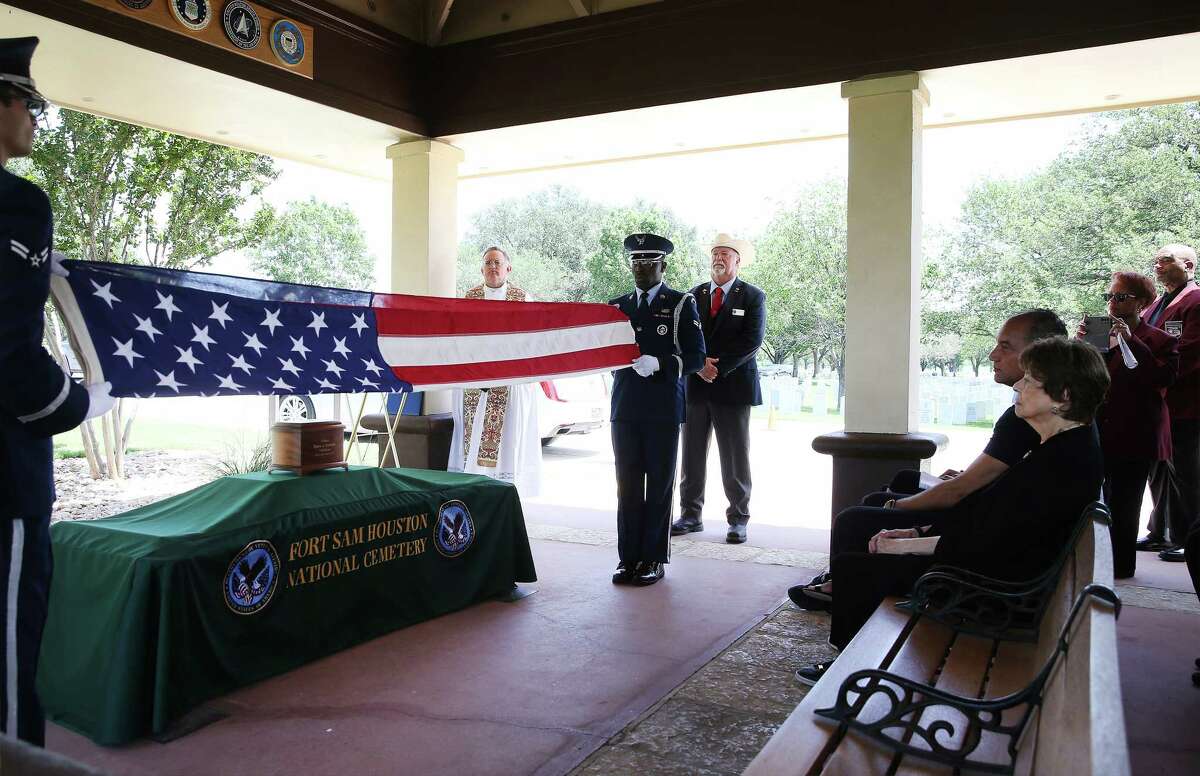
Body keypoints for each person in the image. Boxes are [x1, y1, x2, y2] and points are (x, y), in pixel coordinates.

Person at [795, 337, 1107, 685]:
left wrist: (905, 545)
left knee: (857, 566)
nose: (1019, 384)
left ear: (1063, 396)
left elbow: (989, 539)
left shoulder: (1062, 461)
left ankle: (851, 672)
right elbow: (990, 519)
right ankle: (851, 655)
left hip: (991, 592)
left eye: (1031, 381)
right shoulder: (1063, 446)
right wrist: (915, 534)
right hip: (997, 571)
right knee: (865, 554)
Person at [789, 310, 1066, 605]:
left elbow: (961, 492)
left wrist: (896, 506)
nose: (993, 354)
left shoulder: (1027, 419)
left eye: (1006, 347)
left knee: (857, 518)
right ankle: (841, 578)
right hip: (982, 522)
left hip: (983, 565)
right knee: (904, 481)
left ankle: (842, 588)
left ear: (1040, 354)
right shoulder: (1042, 421)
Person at [0, 37, 113, 745]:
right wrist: (75, 402)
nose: (36, 119)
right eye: (28, 103)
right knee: (9, 658)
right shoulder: (15, 205)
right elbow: (10, 355)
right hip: (3, 477)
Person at [609, 233, 704, 586]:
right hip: (626, 408)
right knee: (627, 486)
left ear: (663, 266)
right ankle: (627, 558)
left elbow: (695, 357)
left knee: (660, 485)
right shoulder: (616, 307)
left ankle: (653, 558)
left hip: (663, 409)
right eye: (635, 262)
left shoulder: (680, 304)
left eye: (648, 263)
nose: (640, 269)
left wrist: (662, 364)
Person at [1083, 272, 1177, 579]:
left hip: (1136, 433)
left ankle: (1121, 566)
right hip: (1100, 430)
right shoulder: (1099, 335)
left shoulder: (1160, 340)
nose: (1112, 303)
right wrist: (1081, 346)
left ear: (1142, 303)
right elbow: (1087, 381)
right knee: (1093, 501)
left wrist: (1131, 341)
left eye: (1121, 297)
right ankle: (1093, 561)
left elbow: (1161, 380)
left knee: (1126, 503)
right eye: (1109, 296)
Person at [673, 233, 766, 544]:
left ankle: (738, 518)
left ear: (737, 261)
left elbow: (751, 341)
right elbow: (681, 336)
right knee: (692, 454)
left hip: (734, 388)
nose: (719, 258)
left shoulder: (752, 296)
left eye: (726, 253)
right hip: (696, 387)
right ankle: (690, 514)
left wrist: (718, 367)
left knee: (735, 456)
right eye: (715, 253)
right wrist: (699, 365)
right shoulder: (692, 295)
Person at [447, 246, 542, 496]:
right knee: (474, 430)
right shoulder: (469, 299)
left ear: (508, 268)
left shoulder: (522, 299)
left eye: (497, 263)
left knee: (509, 434)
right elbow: (459, 339)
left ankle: (506, 488)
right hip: (475, 382)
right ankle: (473, 486)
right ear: (481, 269)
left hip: (510, 382)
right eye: (488, 263)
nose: (492, 268)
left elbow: (531, 339)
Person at [1137, 245, 1200, 562]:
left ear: (1187, 265)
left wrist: (1153, 373)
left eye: (1165, 259)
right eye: (1156, 260)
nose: (1157, 265)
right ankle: (1162, 531)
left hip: (1184, 405)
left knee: (1187, 474)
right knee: (1159, 471)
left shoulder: (1196, 302)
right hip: (1155, 404)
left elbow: (1188, 354)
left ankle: (1192, 539)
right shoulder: (1154, 307)